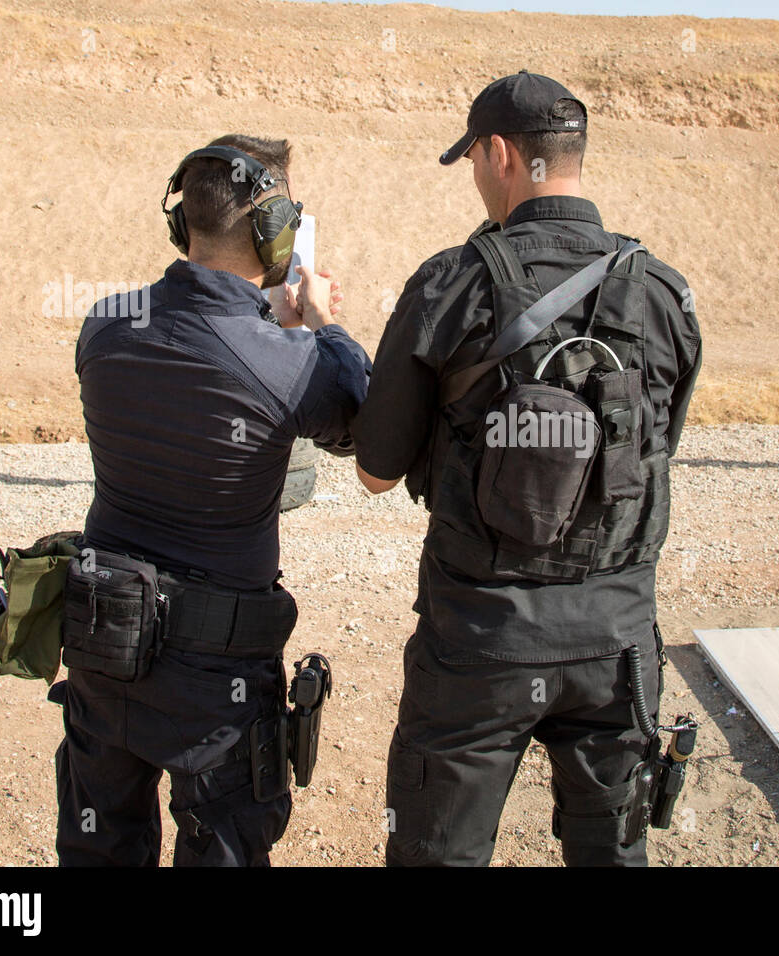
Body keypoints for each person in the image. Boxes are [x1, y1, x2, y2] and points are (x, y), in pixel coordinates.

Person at [352, 72, 702, 866]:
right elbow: (654, 455)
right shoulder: (665, 293)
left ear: (501, 154)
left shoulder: (451, 283)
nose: (475, 176)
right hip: (617, 643)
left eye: (474, 158)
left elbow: (376, 471)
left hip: (480, 641)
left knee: (438, 852)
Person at [50, 133, 371, 866]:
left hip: (103, 641)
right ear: (273, 226)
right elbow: (362, 420)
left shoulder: (103, 323)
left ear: (181, 222)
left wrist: (270, 333)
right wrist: (320, 322)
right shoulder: (290, 362)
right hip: (215, 675)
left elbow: (202, 367)